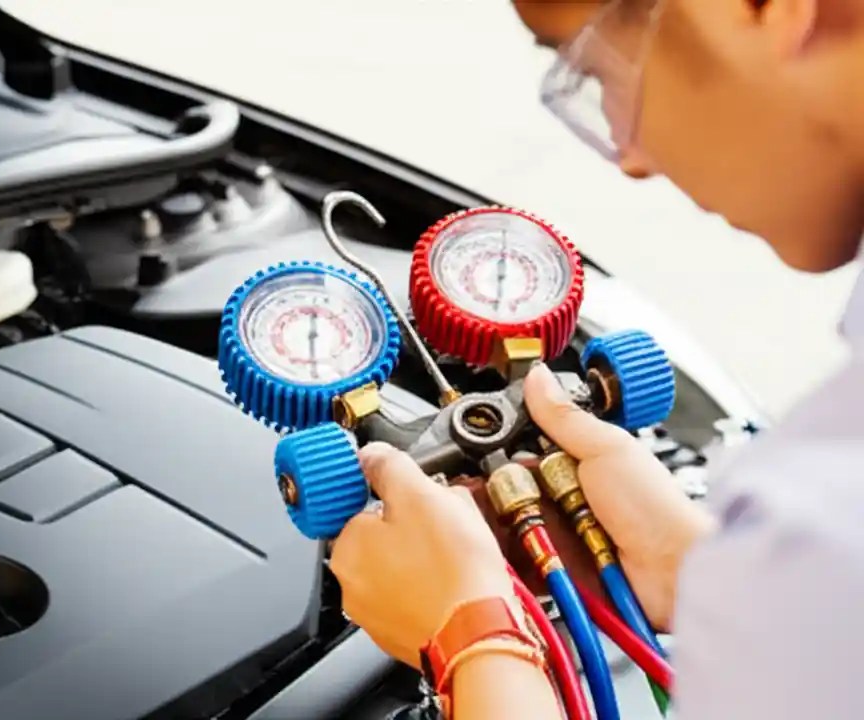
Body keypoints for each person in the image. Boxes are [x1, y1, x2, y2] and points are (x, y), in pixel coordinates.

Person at [328, 0, 864, 717]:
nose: (631, 155)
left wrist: (472, 641)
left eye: (599, 61)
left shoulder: (822, 503)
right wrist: (694, 575)